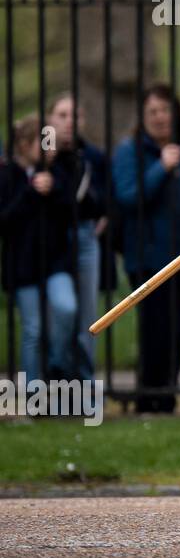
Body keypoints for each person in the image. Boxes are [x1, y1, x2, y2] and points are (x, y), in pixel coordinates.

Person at [111, 84, 180, 413]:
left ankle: (166, 396)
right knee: (154, 329)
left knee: (177, 329)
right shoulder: (130, 152)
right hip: (147, 258)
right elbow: (127, 197)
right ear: (143, 117)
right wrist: (161, 168)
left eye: (164, 110)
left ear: (175, 114)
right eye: (152, 111)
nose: (159, 117)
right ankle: (148, 397)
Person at [1, 116, 77, 390]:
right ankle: (34, 393)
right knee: (33, 329)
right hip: (23, 265)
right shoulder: (9, 175)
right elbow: (5, 220)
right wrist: (31, 192)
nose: (52, 148)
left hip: (55, 261)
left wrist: (54, 188)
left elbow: (72, 209)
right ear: (24, 144)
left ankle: (57, 364)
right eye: (45, 142)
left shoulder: (59, 172)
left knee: (65, 308)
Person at [47, 92, 111, 382]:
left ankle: (84, 386)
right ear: (49, 119)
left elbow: (109, 198)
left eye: (75, 115)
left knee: (88, 316)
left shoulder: (93, 156)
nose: (69, 122)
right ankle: (54, 376)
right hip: (50, 241)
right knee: (60, 311)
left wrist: (104, 217)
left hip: (86, 237)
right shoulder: (42, 157)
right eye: (61, 115)